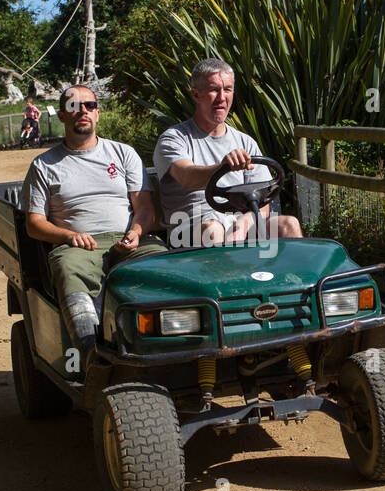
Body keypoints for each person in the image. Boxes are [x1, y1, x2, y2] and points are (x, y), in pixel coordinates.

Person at [24, 86, 165, 358]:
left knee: (161, 262)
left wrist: (136, 231)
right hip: (79, 247)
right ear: (63, 116)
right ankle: (92, 356)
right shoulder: (43, 165)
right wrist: (67, 236)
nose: (83, 112)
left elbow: (145, 208)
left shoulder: (123, 154)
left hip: (129, 239)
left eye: (89, 106)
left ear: (98, 113)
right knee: (67, 267)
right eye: (75, 106)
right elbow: (33, 223)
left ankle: (168, 347)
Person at [153, 58, 303, 247]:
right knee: (214, 230)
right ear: (196, 94)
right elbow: (186, 177)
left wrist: (244, 222)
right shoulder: (174, 138)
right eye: (214, 89)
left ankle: (295, 277)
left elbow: (263, 202)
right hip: (190, 226)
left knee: (289, 224)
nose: (222, 97)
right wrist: (223, 167)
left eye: (228, 89)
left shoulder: (245, 142)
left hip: (238, 223)